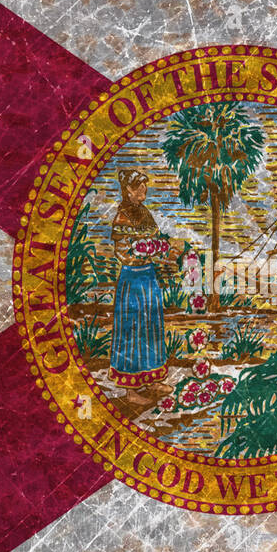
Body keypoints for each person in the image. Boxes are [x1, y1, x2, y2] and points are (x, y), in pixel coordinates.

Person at [109, 169, 183, 397]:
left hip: (148, 278)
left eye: (144, 185)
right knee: (133, 330)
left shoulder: (145, 213)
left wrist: (169, 249)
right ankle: (132, 390)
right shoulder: (122, 216)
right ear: (128, 190)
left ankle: (153, 380)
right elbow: (122, 252)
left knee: (151, 329)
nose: (143, 190)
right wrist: (146, 254)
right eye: (138, 186)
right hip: (132, 279)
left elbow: (157, 241)